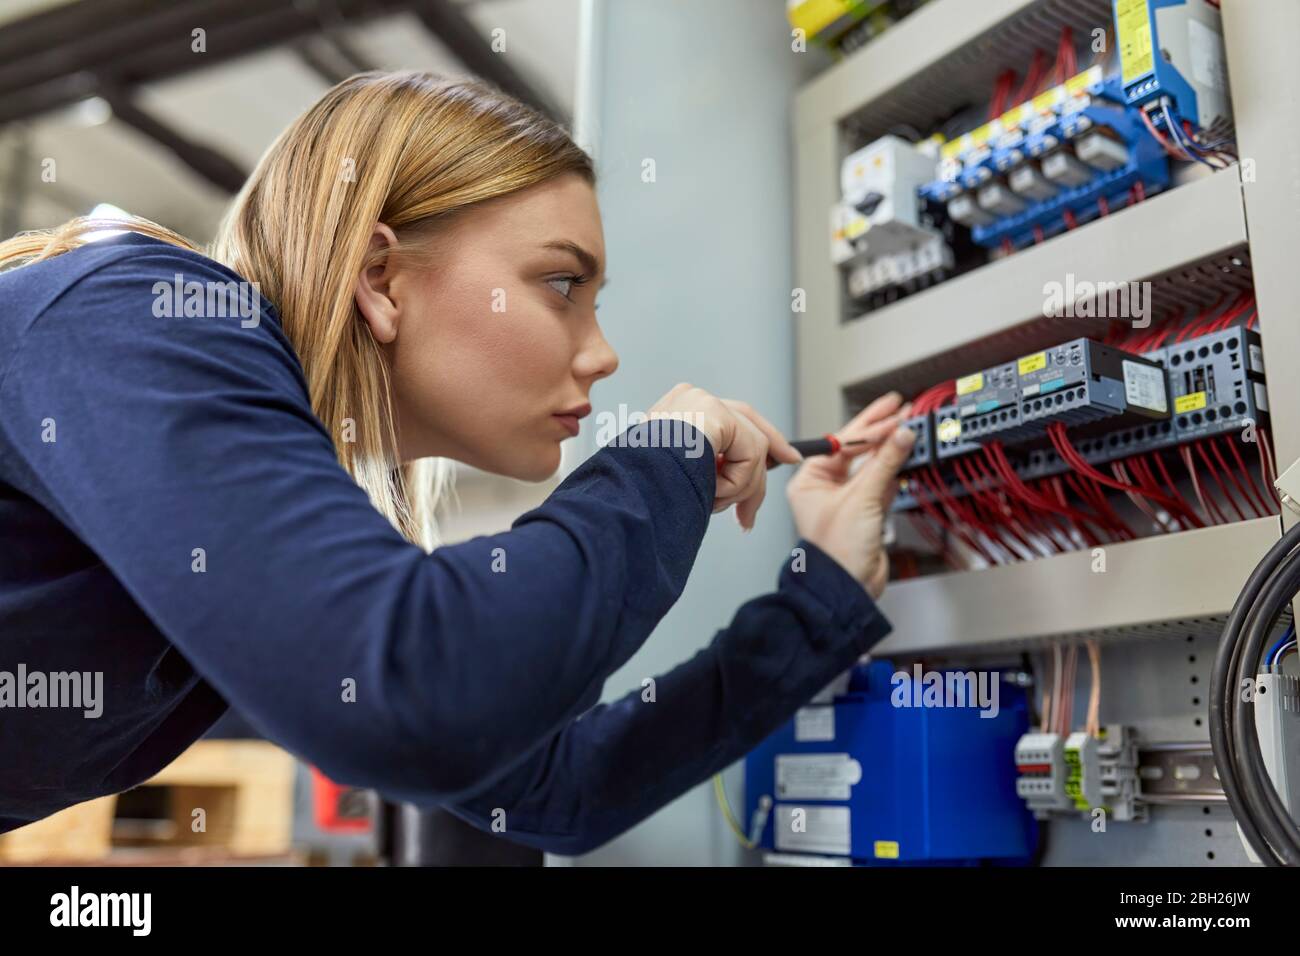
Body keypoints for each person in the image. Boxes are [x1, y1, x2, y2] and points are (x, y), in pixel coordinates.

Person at [0, 71, 914, 854]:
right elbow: (419, 690)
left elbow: (558, 787)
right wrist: (664, 459)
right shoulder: (133, 315)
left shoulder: (232, 495)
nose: (603, 355)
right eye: (561, 285)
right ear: (380, 278)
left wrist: (822, 596)